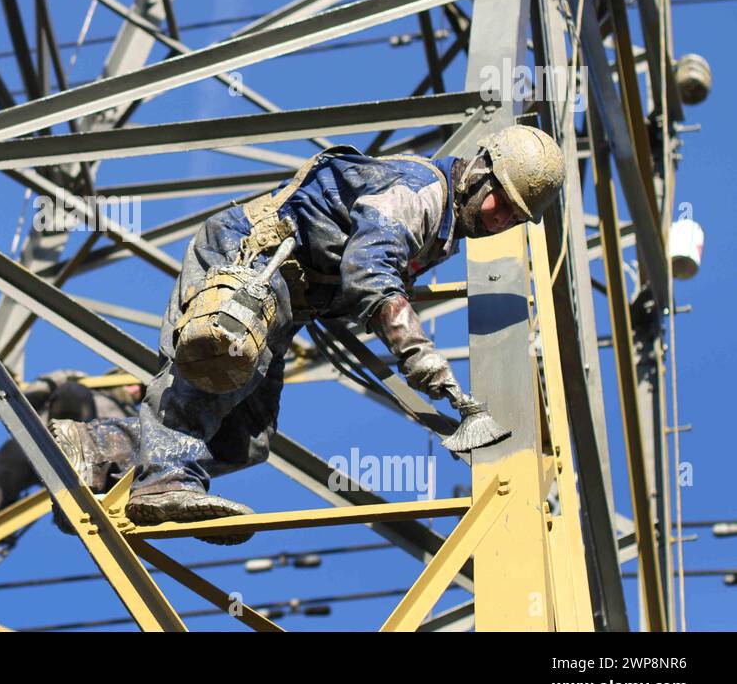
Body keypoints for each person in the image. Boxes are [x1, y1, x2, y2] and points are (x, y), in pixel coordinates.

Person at [121, 126, 567, 545]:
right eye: (502, 203)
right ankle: (164, 481)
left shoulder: (445, 223)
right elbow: (369, 272)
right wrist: (420, 356)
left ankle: (95, 451)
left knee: (243, 441)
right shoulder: (421, 194)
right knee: (221, 362)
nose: (499, 221)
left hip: (289, 293)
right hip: (255, 259)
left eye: (513, 218)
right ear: (479, 173)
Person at [0, 370, 144, 554]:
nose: (135, 391)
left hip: (84, 459)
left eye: (140, 390)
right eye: (131, 383)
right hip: (41, 438)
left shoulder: (130, 420)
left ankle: (69, 508)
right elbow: (35, 393)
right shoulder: (85, 383)